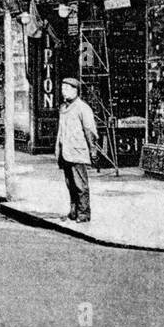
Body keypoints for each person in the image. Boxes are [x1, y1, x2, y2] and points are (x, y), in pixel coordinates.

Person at [55, 77, 99, 223]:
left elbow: (89, 131)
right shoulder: (63, 108)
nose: (63, 92)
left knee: (81, 185)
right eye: (62, 89)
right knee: (70, 184)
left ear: (75, 90)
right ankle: (73, 212)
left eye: (67, 89)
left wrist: (93, 149)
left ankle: (84, 213)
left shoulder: (83, 108)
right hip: (65, 152)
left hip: (77, 151)